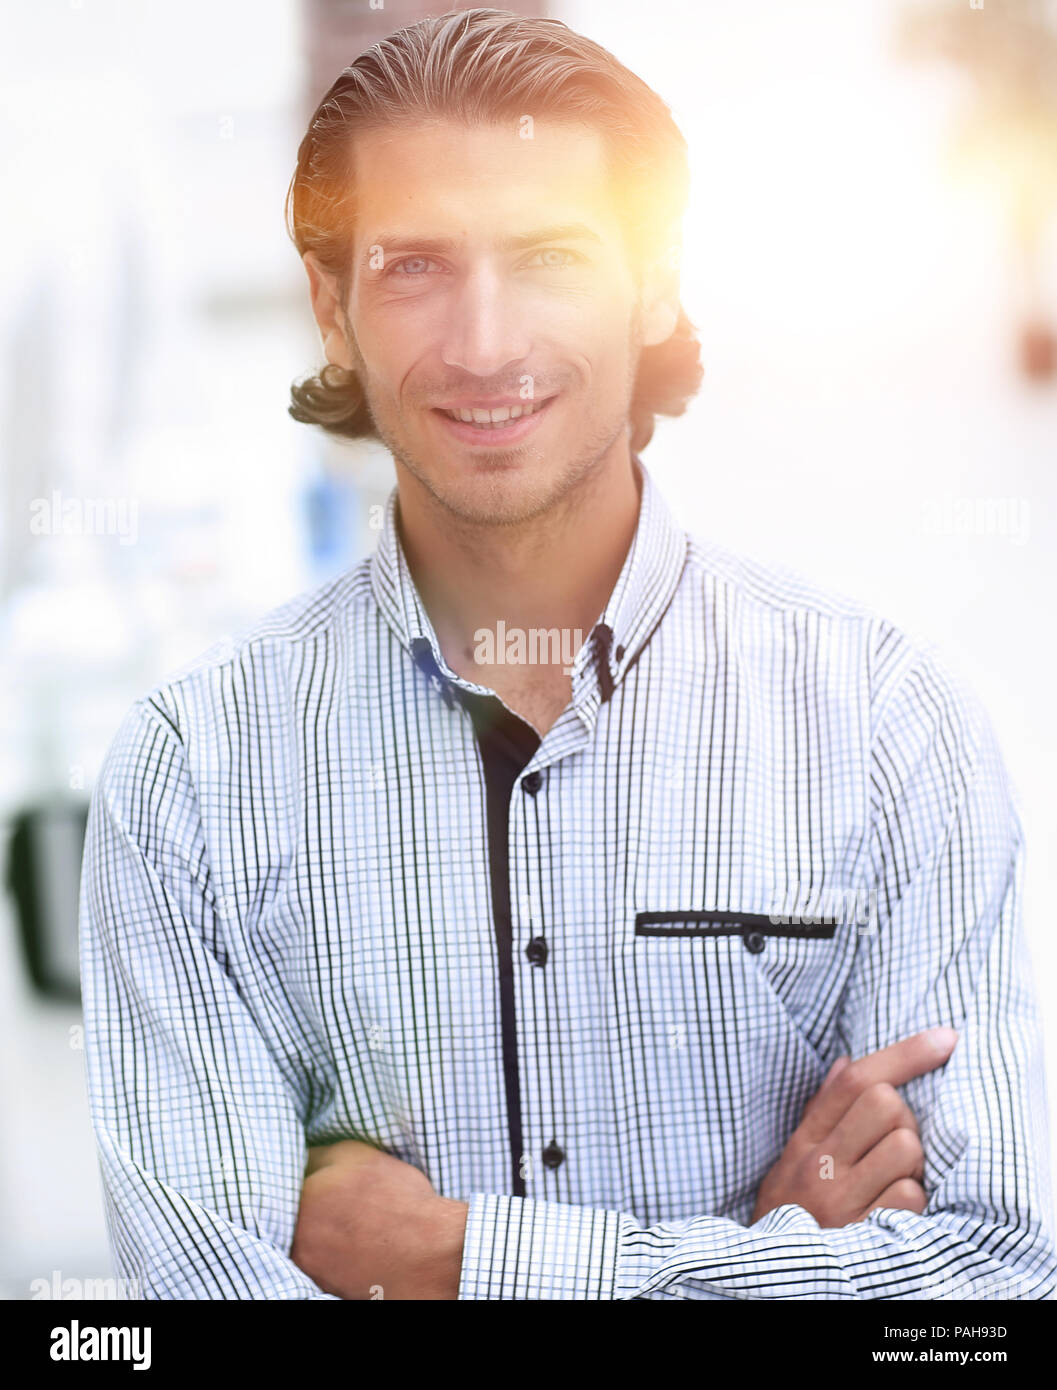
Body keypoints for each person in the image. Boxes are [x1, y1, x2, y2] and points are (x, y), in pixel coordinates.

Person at [79, 7, 1055, 1300]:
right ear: (329, 301)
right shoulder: (187, 783)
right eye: (415, 265)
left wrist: (458, 1257)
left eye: (546, 256)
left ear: (655, 282)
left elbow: (987, 1287)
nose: (483, 344)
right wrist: (769, 1258)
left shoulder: (888, 727)